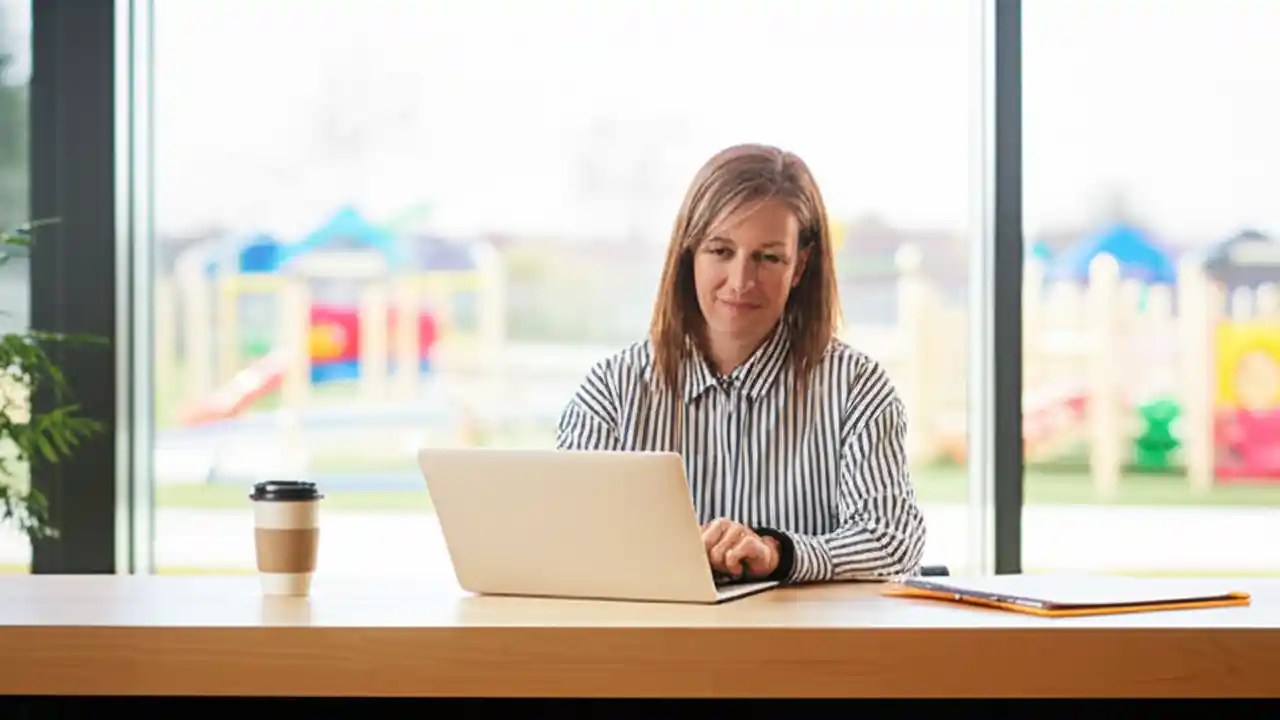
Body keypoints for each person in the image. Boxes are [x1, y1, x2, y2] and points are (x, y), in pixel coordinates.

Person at [555, 143, 926, 585]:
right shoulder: (612, 391)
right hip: (654, 649)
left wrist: (778, 553)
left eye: (768, 257)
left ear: (800, 265)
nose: (741, 282)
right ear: (689, 251)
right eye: (720, 250)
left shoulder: (855, 388)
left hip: (804, 651)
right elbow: (566, 541)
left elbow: (893, 541)